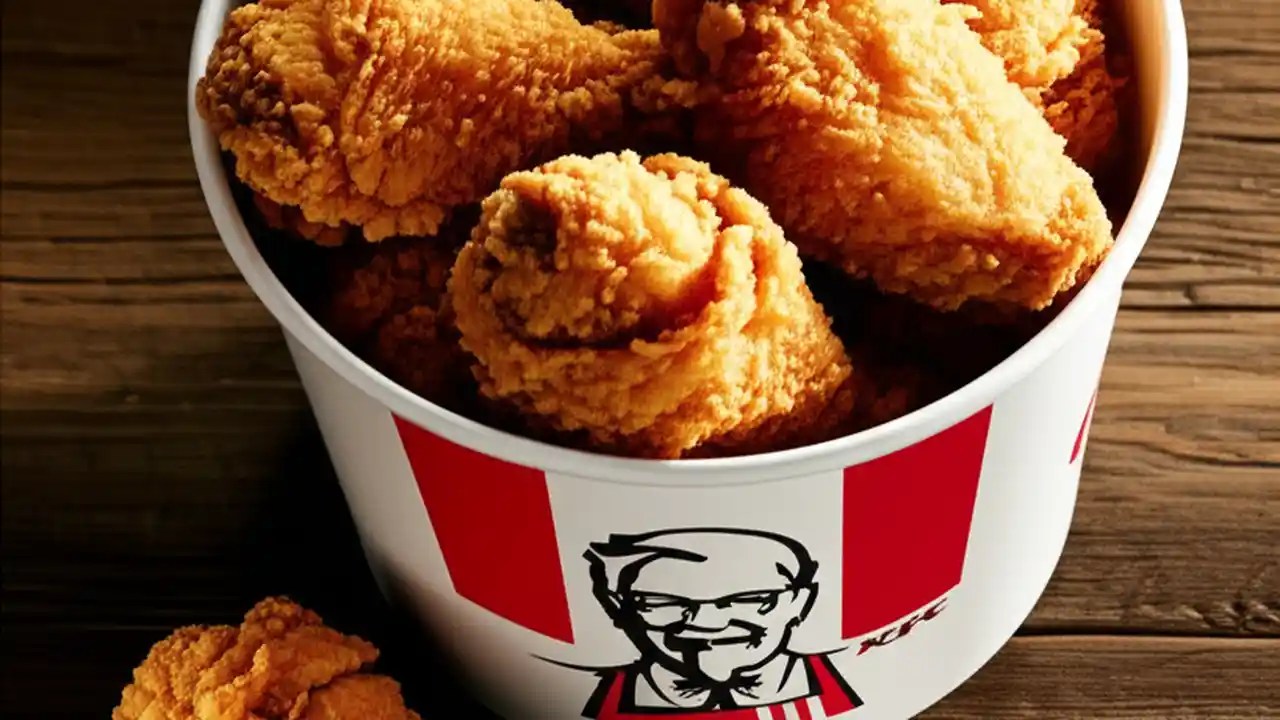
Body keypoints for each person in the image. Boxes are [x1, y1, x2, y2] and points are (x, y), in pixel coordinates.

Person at [582, 528, 862, 718]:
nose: (707, 624)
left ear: (799, 602)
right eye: (662, 601)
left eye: (751, 598)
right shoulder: (597, 691)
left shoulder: (855, 667)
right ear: (619, 607)